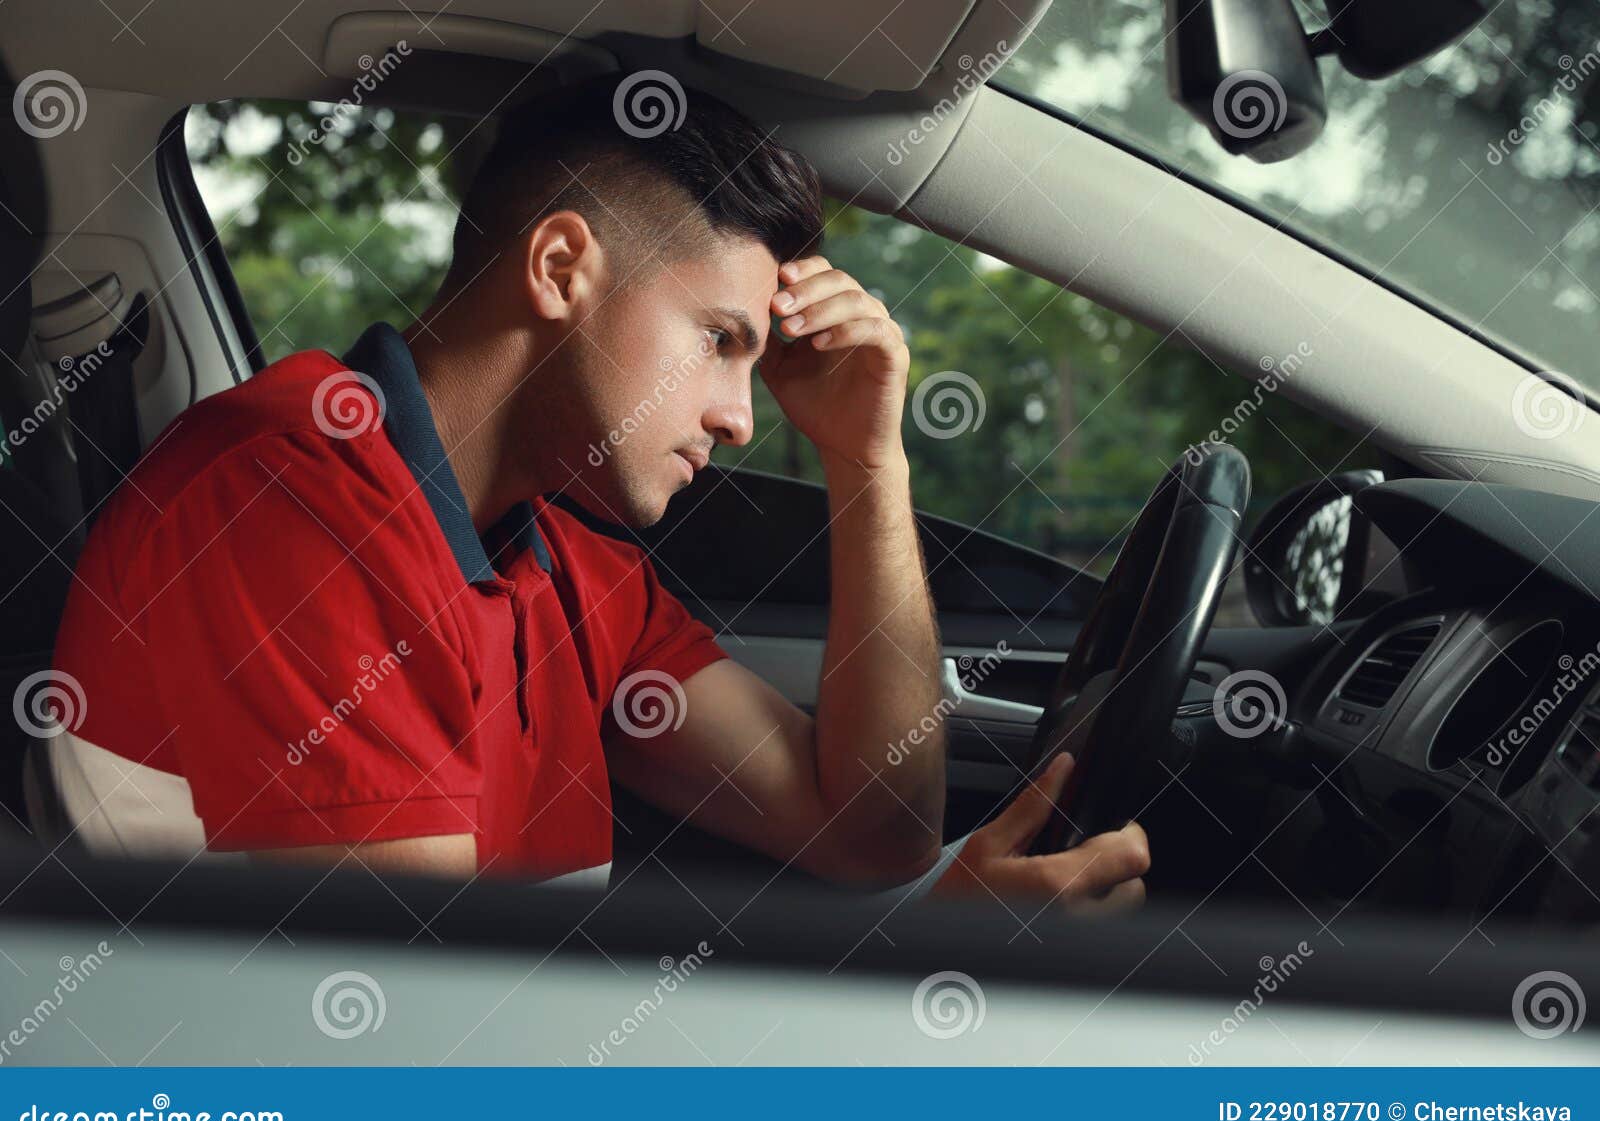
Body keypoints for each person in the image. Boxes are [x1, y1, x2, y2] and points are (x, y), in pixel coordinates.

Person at [48, 77, 1148, 911]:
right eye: (718, 340)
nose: (739, 415)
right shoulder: (281, 506)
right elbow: (425, 1045)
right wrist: (930, 979)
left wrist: (870, 460)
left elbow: (874, 833)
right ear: (561, 268)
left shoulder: (567, 562)